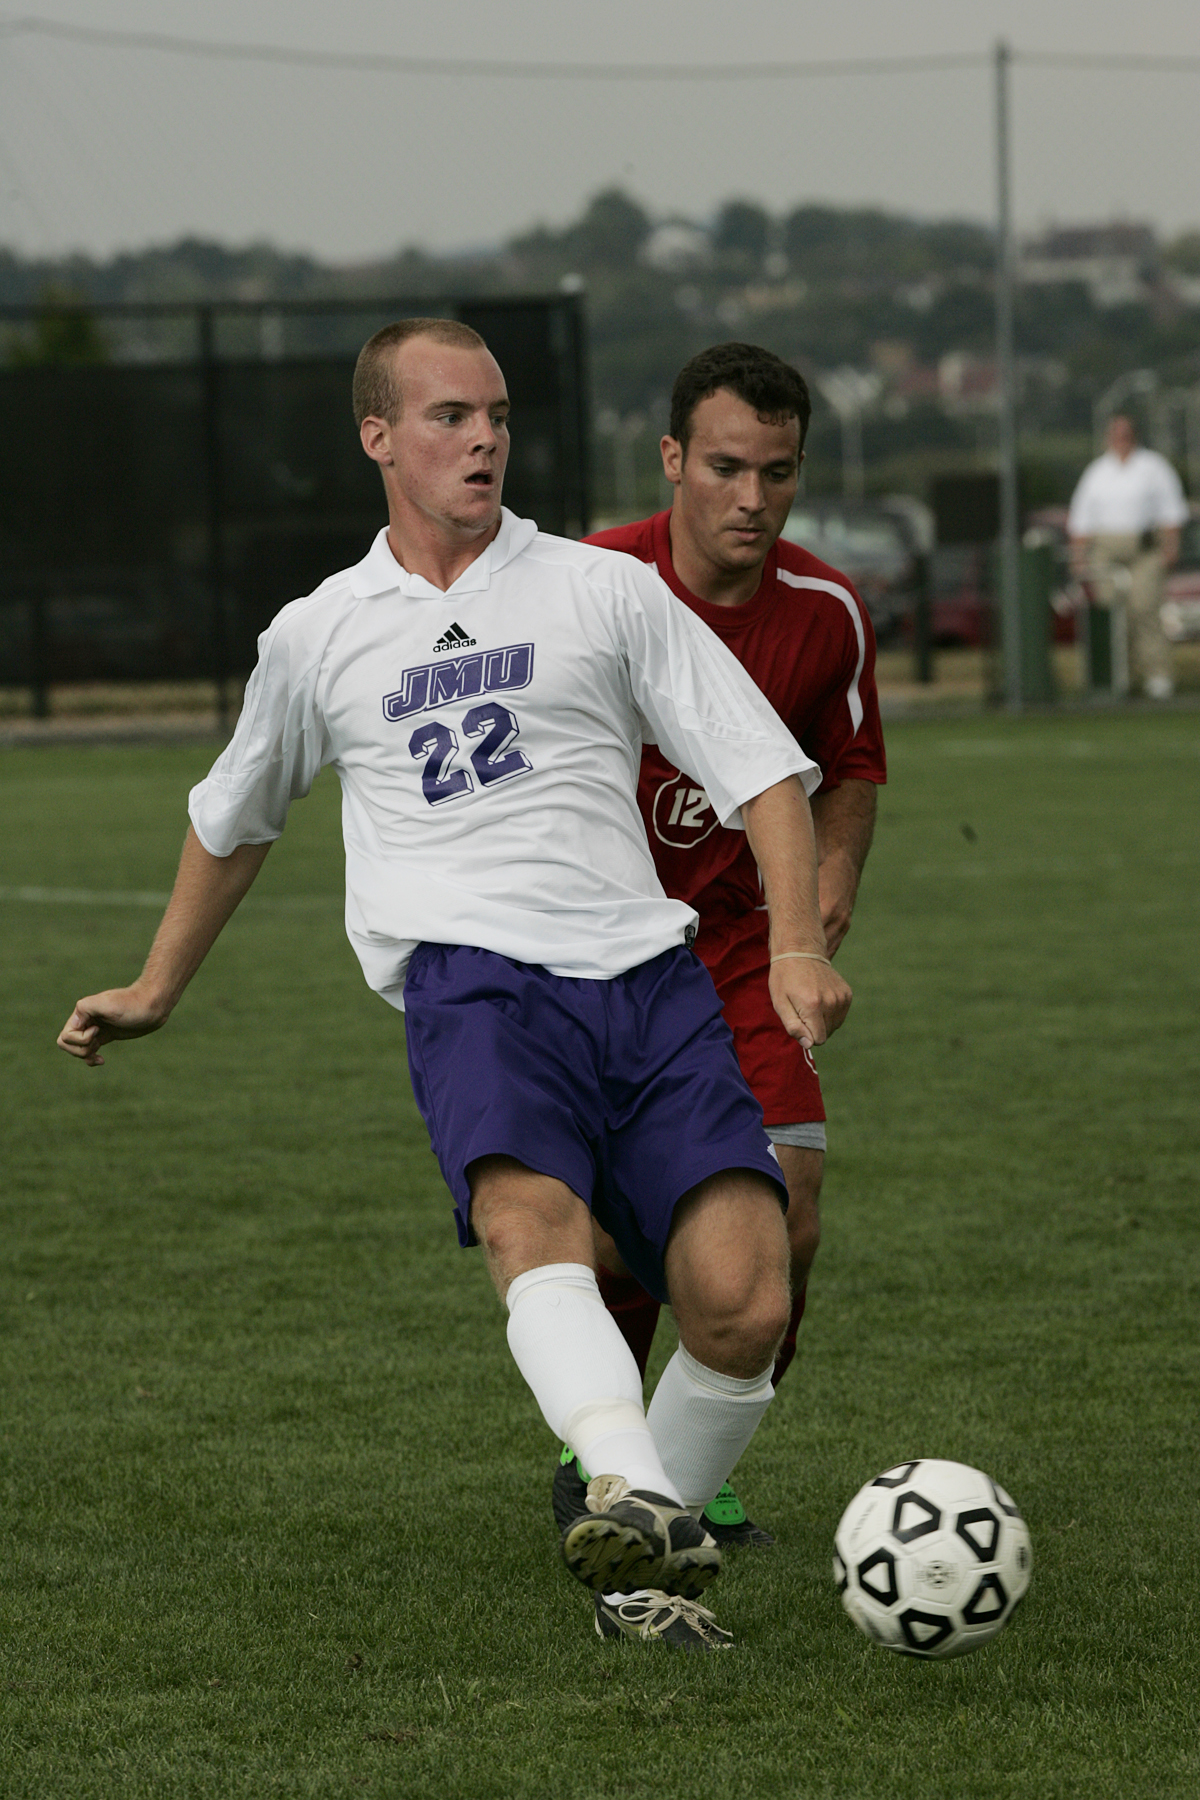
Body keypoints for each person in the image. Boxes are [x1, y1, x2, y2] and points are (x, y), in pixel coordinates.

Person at [57, 319, 851, 1653]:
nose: (482, 436)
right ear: (377, 438)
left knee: (747, 1300)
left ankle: (640, 1551)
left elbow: (765, 772)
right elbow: (236, 816)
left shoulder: (602, 589)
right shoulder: (321, 634)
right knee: (526, 1228)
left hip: (651, 983)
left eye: (493, 414)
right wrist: (155, 985)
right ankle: (625, 1499)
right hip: (475, 986)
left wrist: (793, 946)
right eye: (446, 417)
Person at [557, 342, 885, 1551]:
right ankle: (605, 1450)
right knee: (609, 1224)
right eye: (728, 469)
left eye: (779, 473)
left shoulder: (825, 611)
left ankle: (687, 1472)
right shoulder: (589, 581)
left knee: (788, 1216)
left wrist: (836, 869)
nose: (753, 499)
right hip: (601, 949)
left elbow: (848, 765)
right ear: (674, 462)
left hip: (745, 948)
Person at [1068, 413, 1187, 700]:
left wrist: (1171, 547)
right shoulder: (1097, 471)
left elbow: (1171, 512)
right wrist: (1079, 557)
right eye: (1115, 433)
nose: (1120, 439)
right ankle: (1114, 677)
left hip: (1144, 550)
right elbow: (1081, 520)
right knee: (1110, 613)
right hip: (1107, 550)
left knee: (1144, 609)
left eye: (1125, 433)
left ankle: (1157, 676)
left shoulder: (1153, 467)